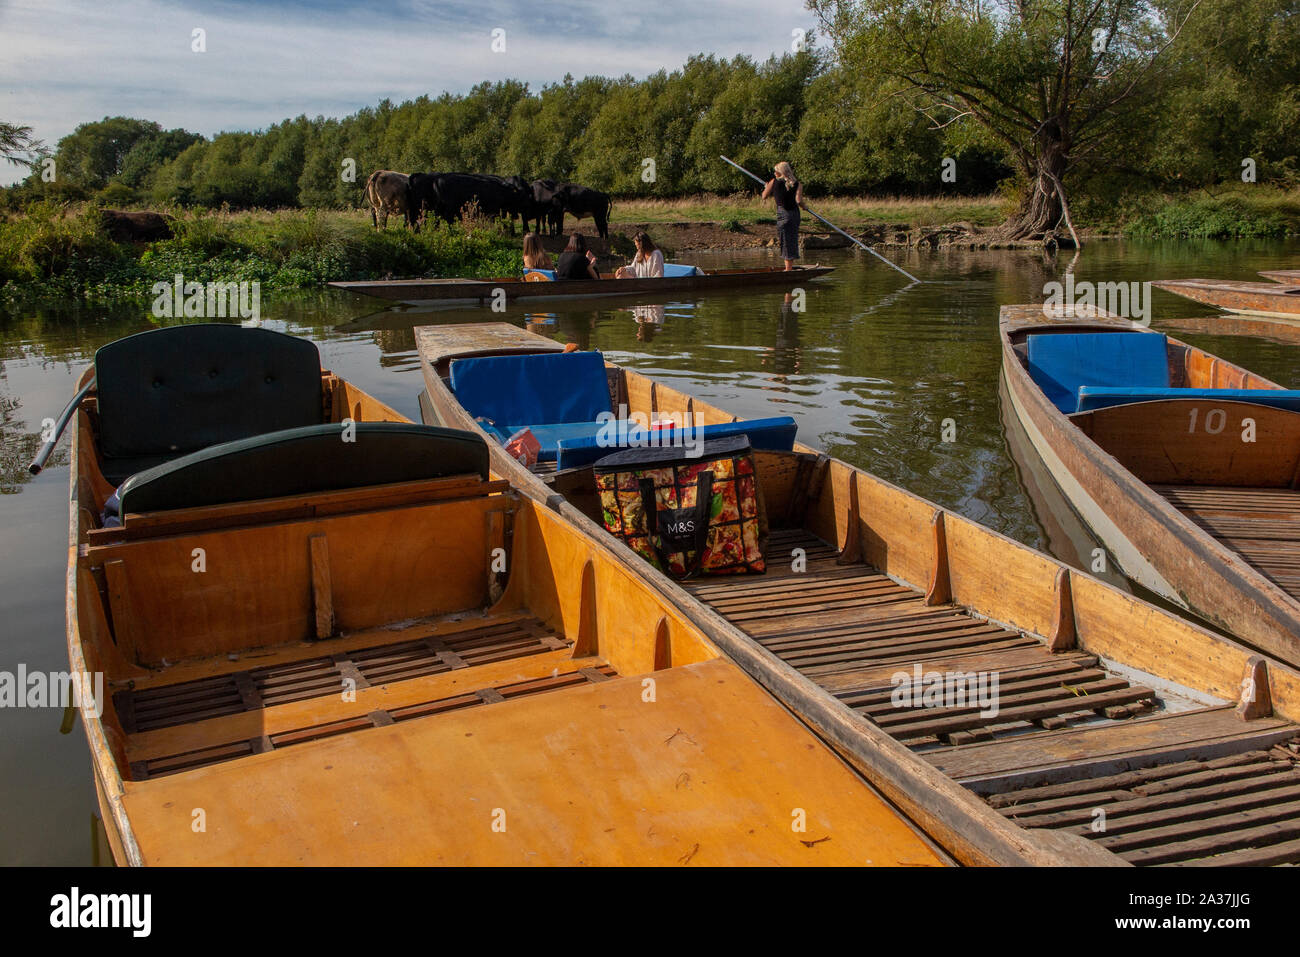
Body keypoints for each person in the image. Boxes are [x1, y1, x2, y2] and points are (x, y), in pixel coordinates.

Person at [761, 161, 804, 270]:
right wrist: (805, 207)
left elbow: (764, 196)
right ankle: (788, 267)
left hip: (783, 214)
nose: (774, 173)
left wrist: (767, 187)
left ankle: (788, 269)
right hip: (794, 214)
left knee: (785, 240)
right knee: (791, 239)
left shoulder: (773, 182)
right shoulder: (797, 184)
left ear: (781, 172)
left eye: (776, 171)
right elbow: (798, 201)